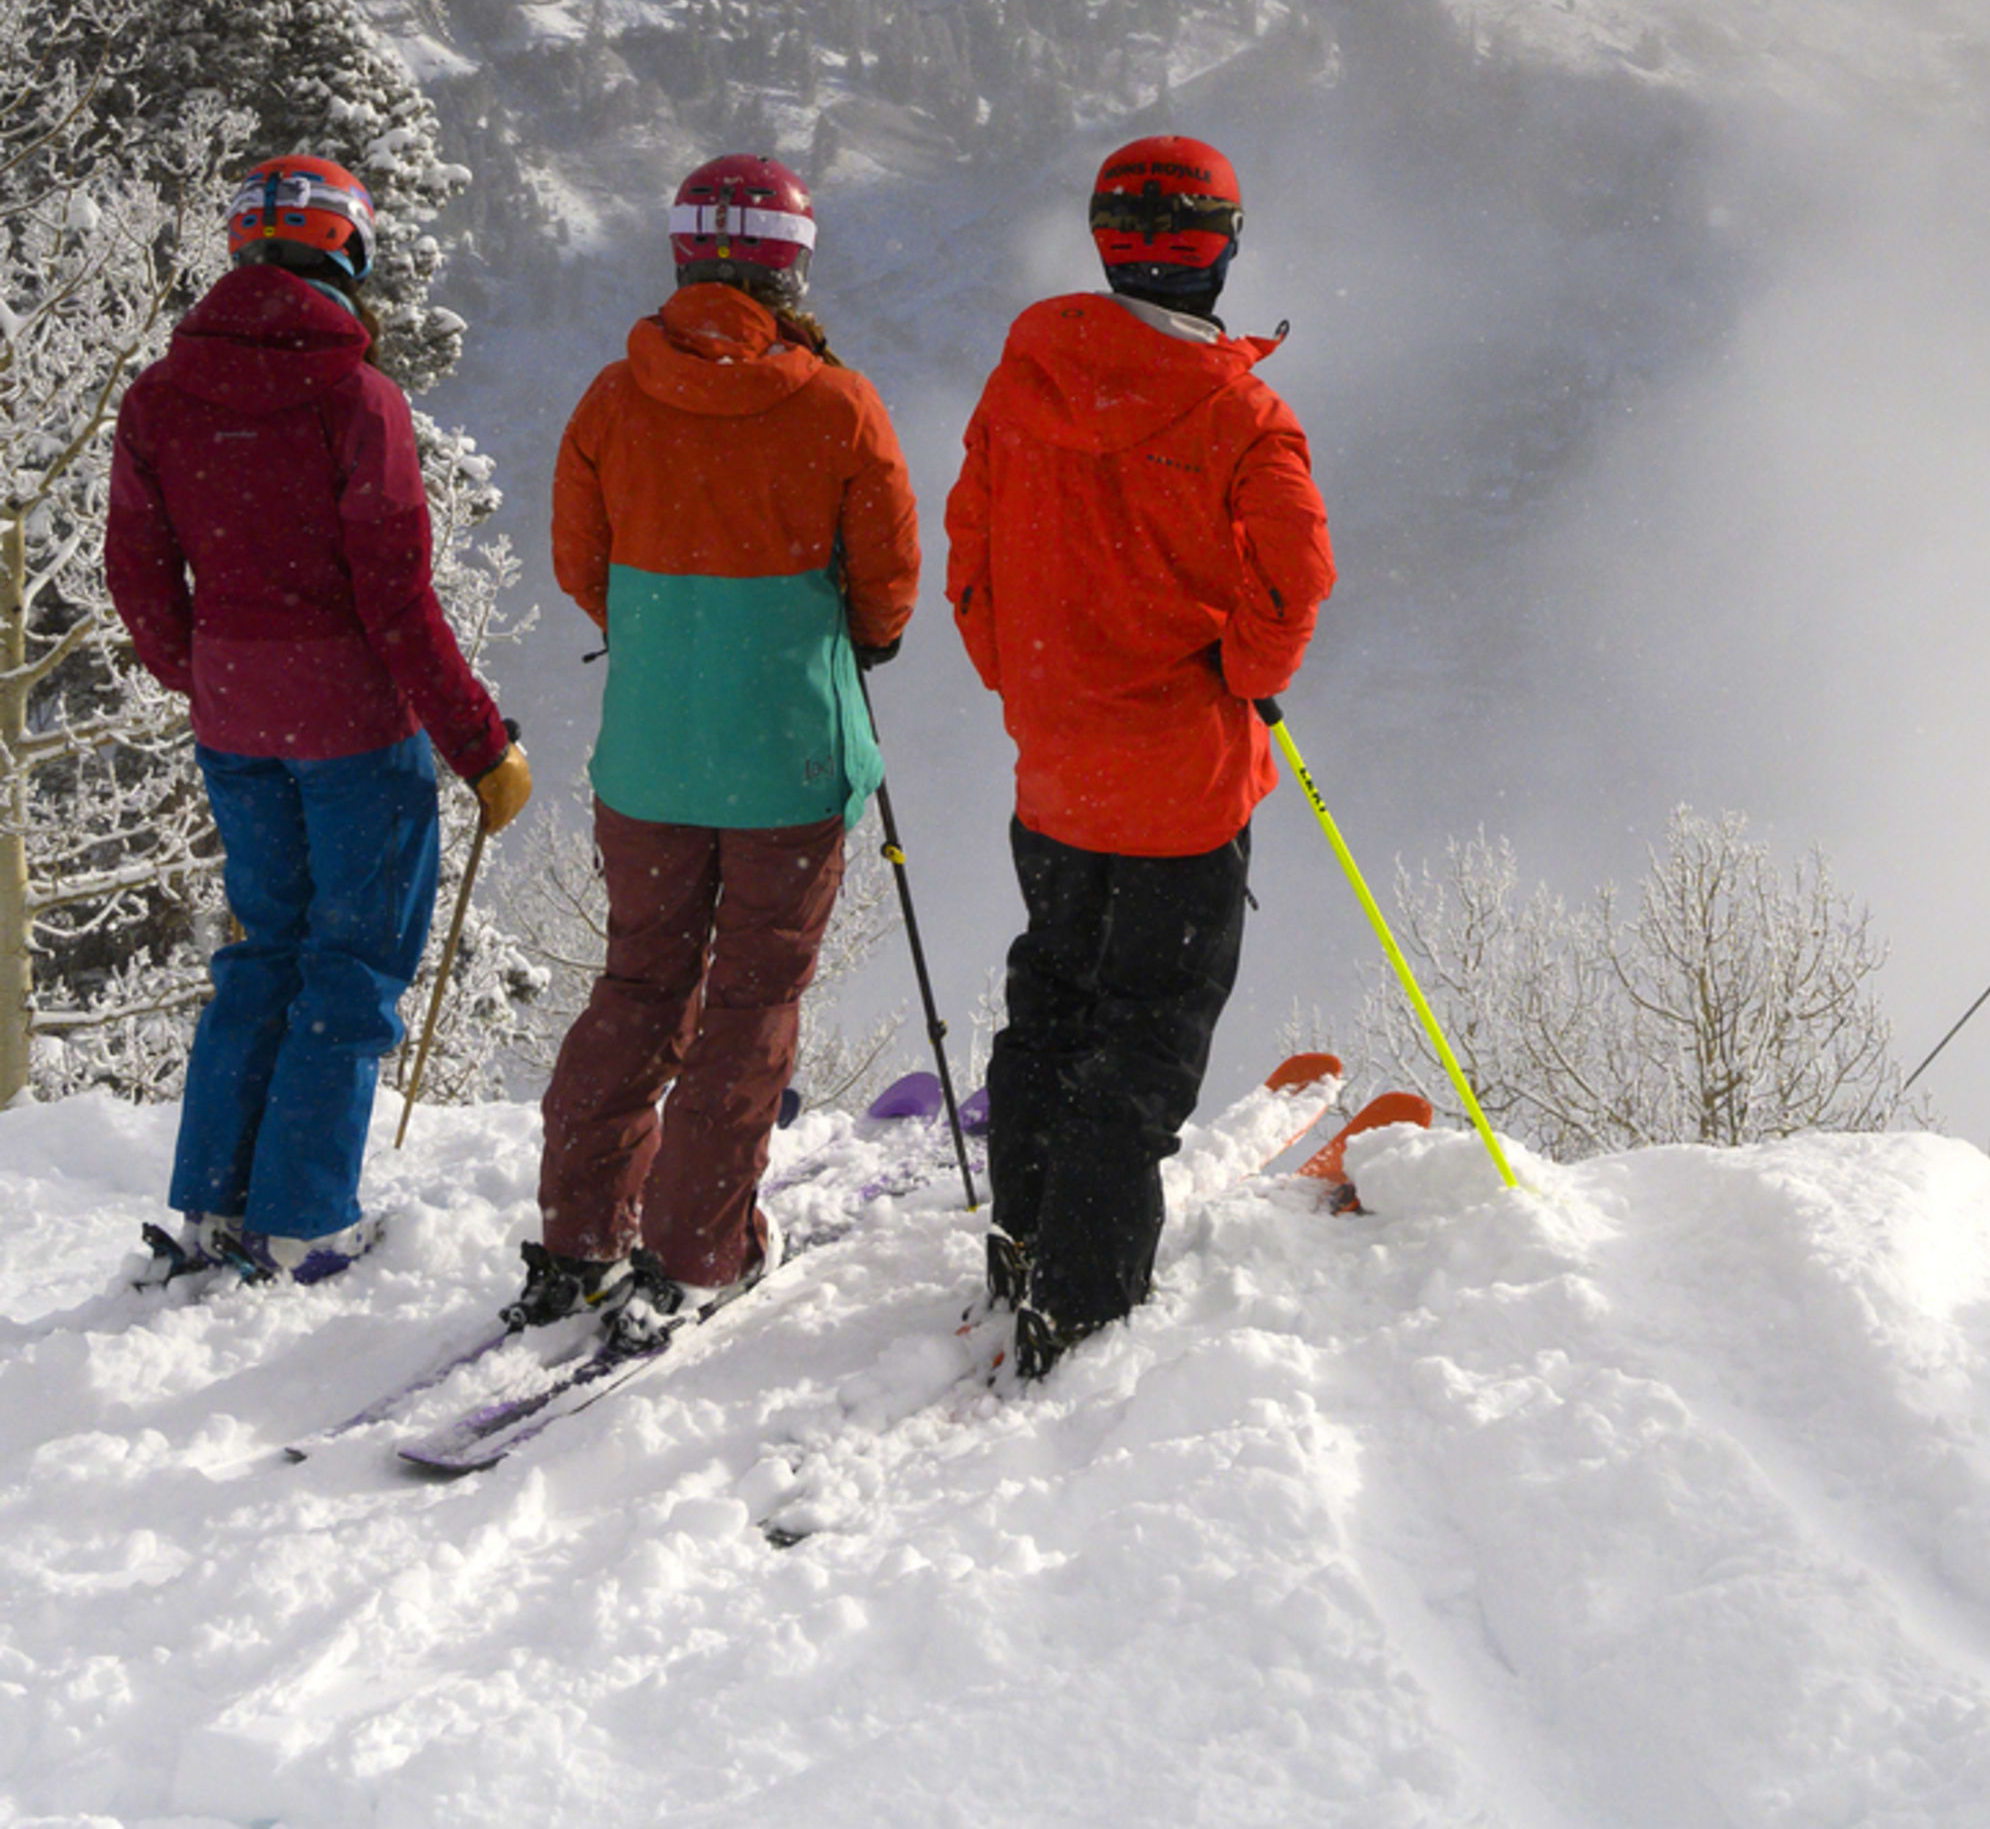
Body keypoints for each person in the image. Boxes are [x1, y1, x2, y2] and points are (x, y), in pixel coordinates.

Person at [105, 155, 532, 1284]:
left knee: (263, 954)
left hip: (237, 722)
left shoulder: (159, 397)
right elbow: (396, 598)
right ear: (351, 252)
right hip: (351, 724)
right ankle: (303, 1225)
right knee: (349, 967)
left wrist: (211, 677)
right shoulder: (357, 398)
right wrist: (480, 744)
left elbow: (140, 578)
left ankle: (212, 1211)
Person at [950, 132, 1334, 1378]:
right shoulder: (1242, 415)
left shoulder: (1023, 383)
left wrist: (1035, 680)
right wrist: (1237, 673)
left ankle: (1022, 1244)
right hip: (1182, 789)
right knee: (1146, 1040)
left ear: (1108, 243)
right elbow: (1295, 584)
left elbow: (972, 566)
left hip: (1055, 773)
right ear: (1222, 249)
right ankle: (1083, 1293)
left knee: (1050, 1003)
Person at [528, 154, 919, 1342]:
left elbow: (579, 566)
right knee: (751, 998)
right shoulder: (836, 406)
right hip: (787, 763)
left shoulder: (613, 399)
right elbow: (888, 592)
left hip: (648, 760)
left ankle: (579, 1235)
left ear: (683, 254)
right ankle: (700, 1246)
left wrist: (671, 639)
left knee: (640, 982)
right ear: (793, 265)